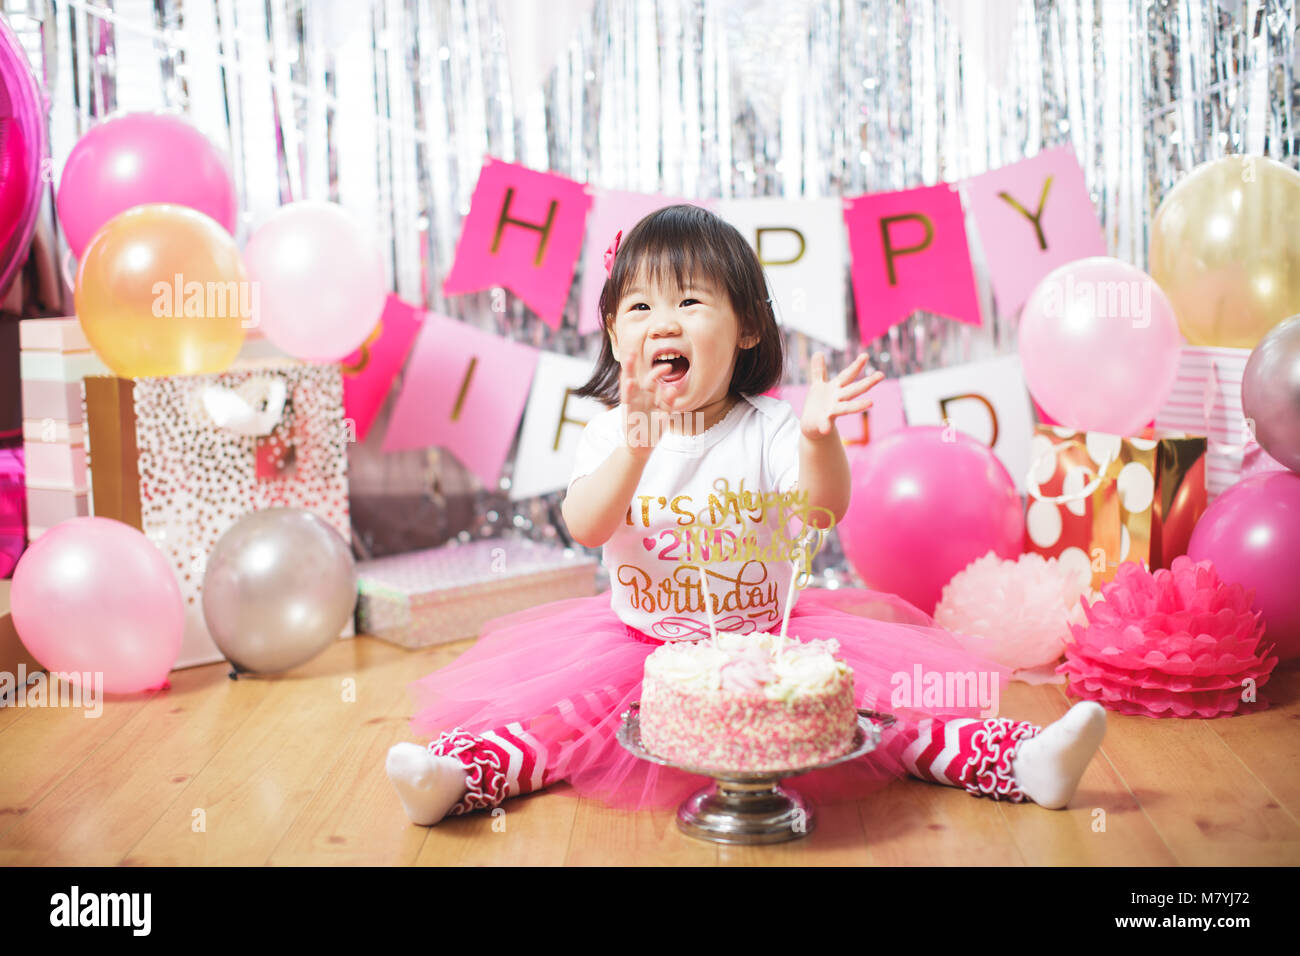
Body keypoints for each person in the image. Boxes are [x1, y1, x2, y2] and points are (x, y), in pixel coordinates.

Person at [387, 204, 1106, 825]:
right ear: (613, 335)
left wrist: (821, 439)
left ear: (747, 332)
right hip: (641, 646)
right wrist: (636, 449)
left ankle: (1016, 760)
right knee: (557, 726)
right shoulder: (613, 430)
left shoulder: (768, 429)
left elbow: (823, 509)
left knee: (884, 719)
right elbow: (585, 525)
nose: (663, 322)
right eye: (640, 308)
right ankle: (456, 778)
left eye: (690, 303)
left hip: (771, 642)